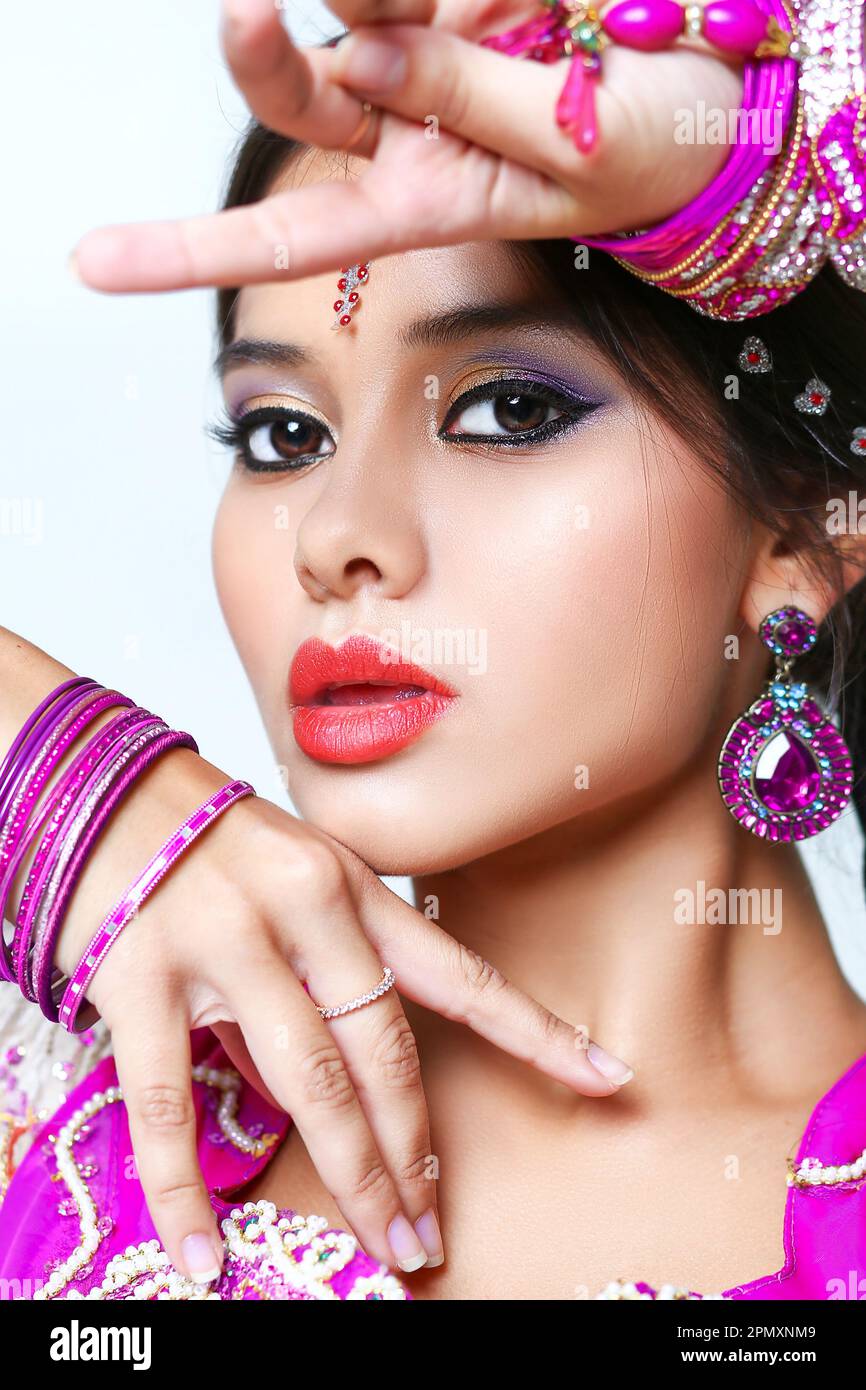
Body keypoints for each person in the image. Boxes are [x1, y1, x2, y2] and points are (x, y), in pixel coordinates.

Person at [2, 0, 866, 1301]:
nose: (337, 538)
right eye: (282, 434)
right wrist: (66, 788)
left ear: (804, 524)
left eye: (506, 408)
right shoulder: (77, 1092)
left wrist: (757, 167)